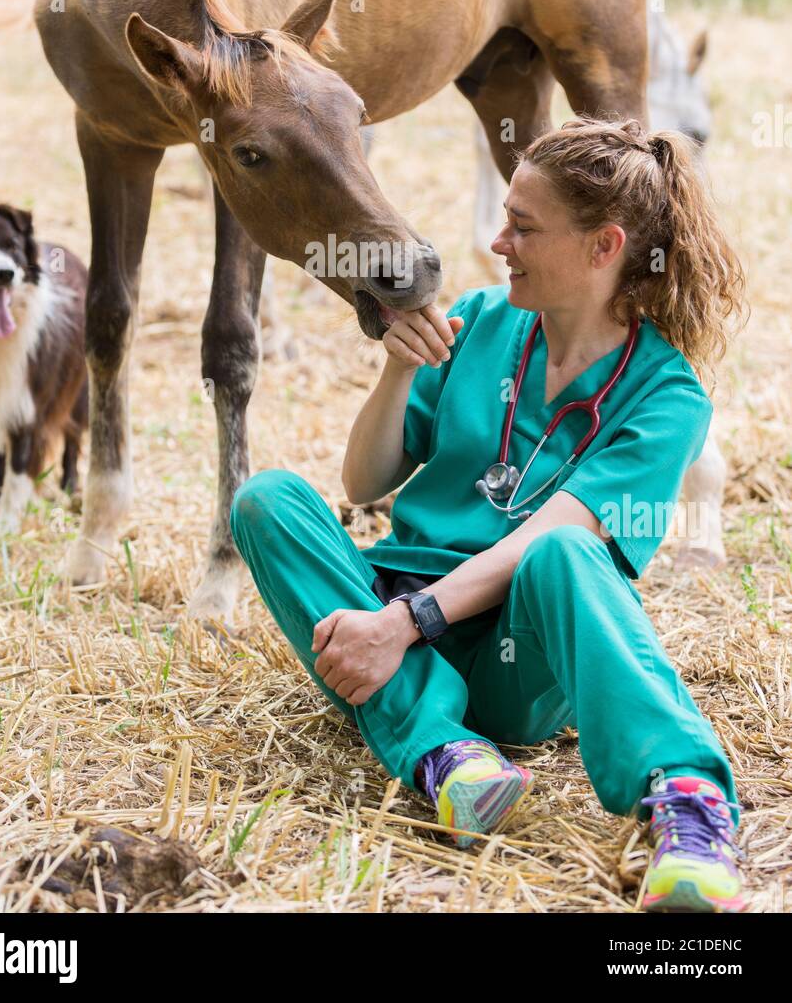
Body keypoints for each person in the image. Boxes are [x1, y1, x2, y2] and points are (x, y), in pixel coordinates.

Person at [231, 117, 747, 913]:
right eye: (505, 217)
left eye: (524, 226)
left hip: (517, 649)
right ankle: (450, 759)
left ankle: (686, 808)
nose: (497, 240)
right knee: (267, 500)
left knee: (567, 555)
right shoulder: (482, 320)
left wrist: (399, 627)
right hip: (394, 602)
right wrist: (397, 375)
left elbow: (551, 534)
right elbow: (364, 482)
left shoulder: (667, 397)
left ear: (604, 247)